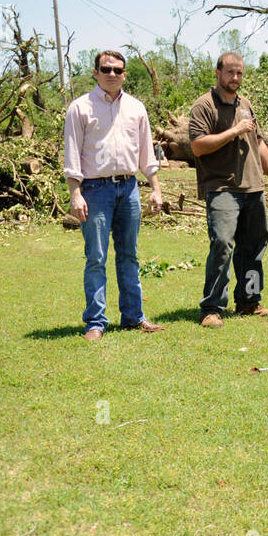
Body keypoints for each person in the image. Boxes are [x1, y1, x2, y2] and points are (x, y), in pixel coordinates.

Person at [63, 50, 166, 341]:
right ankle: (95, 322)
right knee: (96, 257)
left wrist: (156, 188)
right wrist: (76, 194)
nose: (112, 74)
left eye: (117, 70)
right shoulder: (80, 108)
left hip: (129, 188)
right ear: (95, 73)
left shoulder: (136, 108)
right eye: (106, 69)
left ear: (124, 74)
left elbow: (147, 153)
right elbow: (72, 156)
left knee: (129, 255)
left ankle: (134, 317)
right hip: (95, 190)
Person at [188, 52, 268, 328]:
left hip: (253, 187)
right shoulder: (204, 106)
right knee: (222, 244)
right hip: (222, 187)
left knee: (254, 246)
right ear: (217, 73)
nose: (235, 78)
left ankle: (249, 302)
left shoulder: (246, 103)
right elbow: (198, 146)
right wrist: (233, 131)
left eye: (240, 73)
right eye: (230, 72)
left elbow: (260, 142)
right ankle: (212, 308)